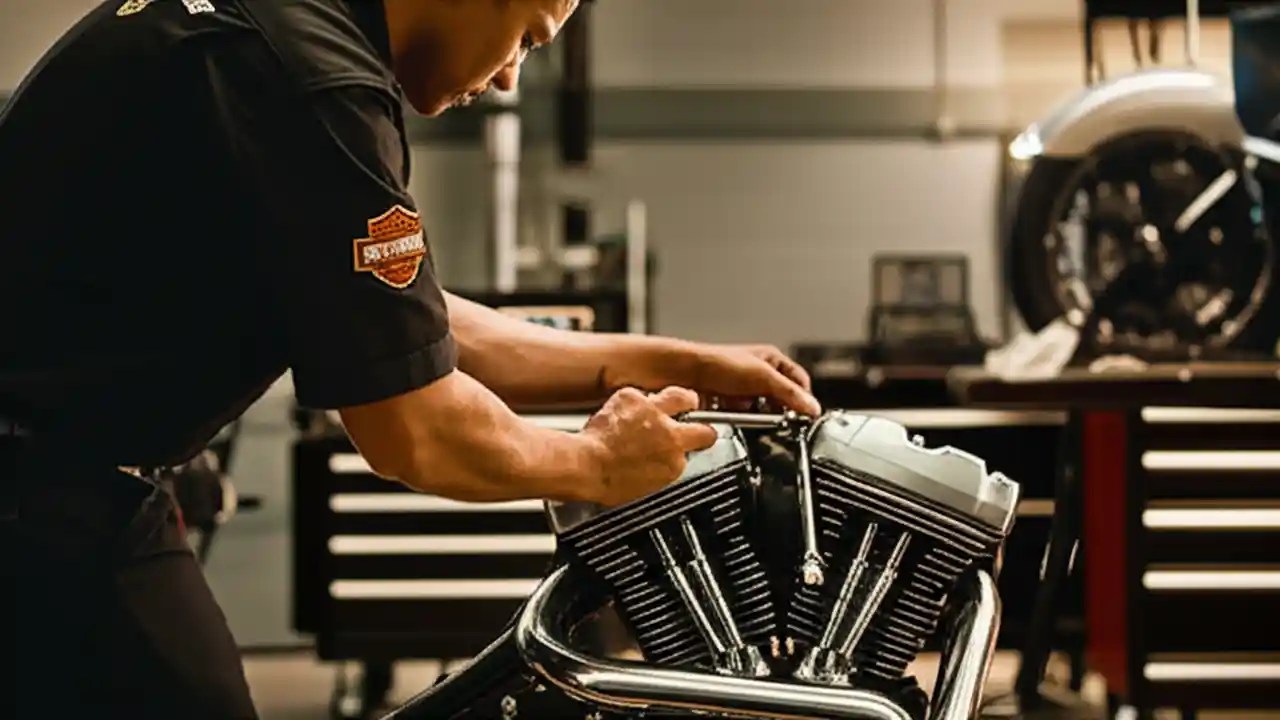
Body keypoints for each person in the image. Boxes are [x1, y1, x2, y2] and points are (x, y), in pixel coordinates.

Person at [0, 0, 820, 718]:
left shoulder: (278, 30)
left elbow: (402, 321)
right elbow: (418, 432)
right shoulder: (313, 81)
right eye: (525, 38)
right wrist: (598, 464)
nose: (509, 78)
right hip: (44, 501)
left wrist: (669, 362)